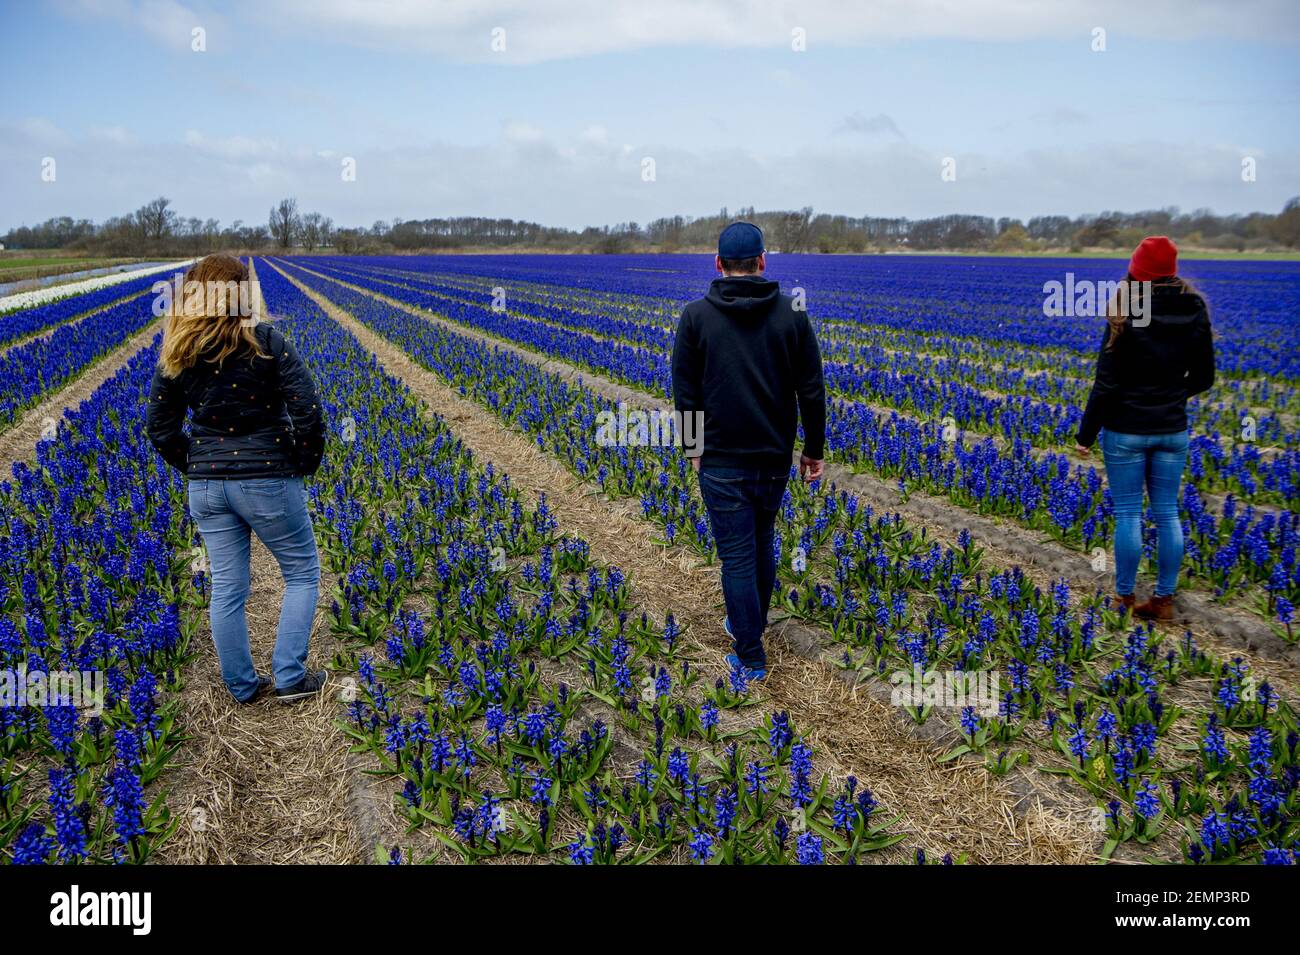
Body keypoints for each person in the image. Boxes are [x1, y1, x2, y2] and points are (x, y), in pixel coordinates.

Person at [146, 254, 328, 703]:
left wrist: (196, 464)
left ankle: (242, 687)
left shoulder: (179, 351)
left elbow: (160, 428)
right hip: (267, 477)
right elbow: (308, 410)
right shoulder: (267, 342)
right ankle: (289, 677)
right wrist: (303, 460)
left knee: (227, 586)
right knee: (302, 572)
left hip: (206, 487)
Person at [671, 222, 826, 679]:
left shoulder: (696, 316)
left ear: (718, 264)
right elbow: (811, 390)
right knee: (761, 542)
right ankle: (750, 623)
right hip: (773, 457)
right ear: (762, 262)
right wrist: (812, 449)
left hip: (719, 458)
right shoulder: (792, 315)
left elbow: (686, 393)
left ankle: (750, 655)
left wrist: (693, 446)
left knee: (738, 554)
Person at [1075, 236, 1215, 621]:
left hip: (1126, 429)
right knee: (1168, 512)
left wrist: (1086, 435)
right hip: (1173, 429)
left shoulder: (1127, 307)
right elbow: (1204, 376)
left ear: (1136, 272)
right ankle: (1164, 600)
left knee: (1128, 514)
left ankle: (1123, 598)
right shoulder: (1195, 307)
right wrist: (1171, 396)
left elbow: (1106, 384)